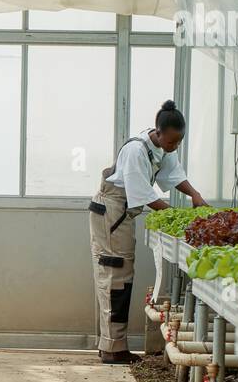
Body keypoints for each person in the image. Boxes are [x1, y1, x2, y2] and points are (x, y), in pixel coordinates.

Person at [89, 100, 208, 365]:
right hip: (112, 212)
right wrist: (178, 215)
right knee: (114, 276)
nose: (174, 147)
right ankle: (112, 349)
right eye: (171, 142)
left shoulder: (163, 148)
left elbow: (174, 176)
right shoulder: (136, 150)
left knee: (121, 276)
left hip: (123, 212)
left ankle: (110, 344)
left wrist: (195, 195)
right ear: (159, 131)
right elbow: (142, 194)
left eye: (179, 142)